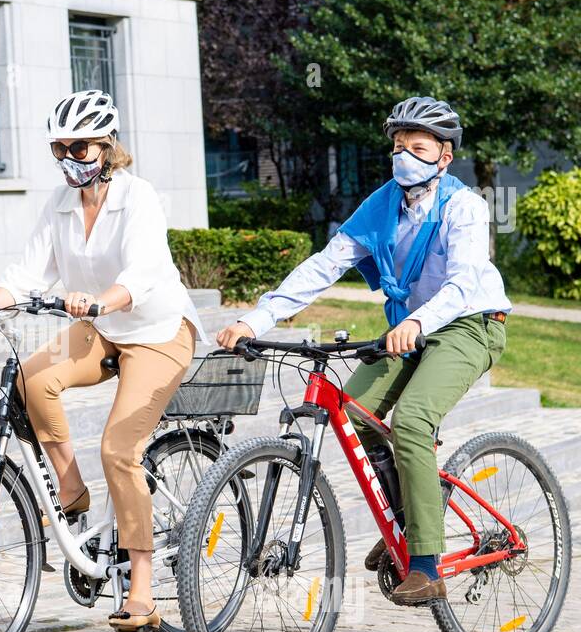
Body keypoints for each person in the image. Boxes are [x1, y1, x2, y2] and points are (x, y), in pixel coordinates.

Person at [216, 97, 511, 605]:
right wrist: (255, 318)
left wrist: (418, 320)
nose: (404, 156)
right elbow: (324, 265)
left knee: (415, 420)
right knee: (352, 413)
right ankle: (408, 514)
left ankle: (425, 562)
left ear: (444, 156)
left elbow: (464, 284)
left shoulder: (465, 206)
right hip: (407, 330)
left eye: (418, 148)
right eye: (398, 147)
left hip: (469, 325)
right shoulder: (380, 205)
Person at [0, 90, 209, 632]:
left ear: (106, 145)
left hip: (158, 330)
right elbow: (27, 273)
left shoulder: (137, 197)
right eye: (59, 148)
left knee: (120, 449)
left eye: (79, 147)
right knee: (32, 378)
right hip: (103, 327)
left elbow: (142, 274)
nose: (68, 158)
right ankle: (71, 490)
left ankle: (141, 588)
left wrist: (102, 301)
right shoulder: (61, 203)